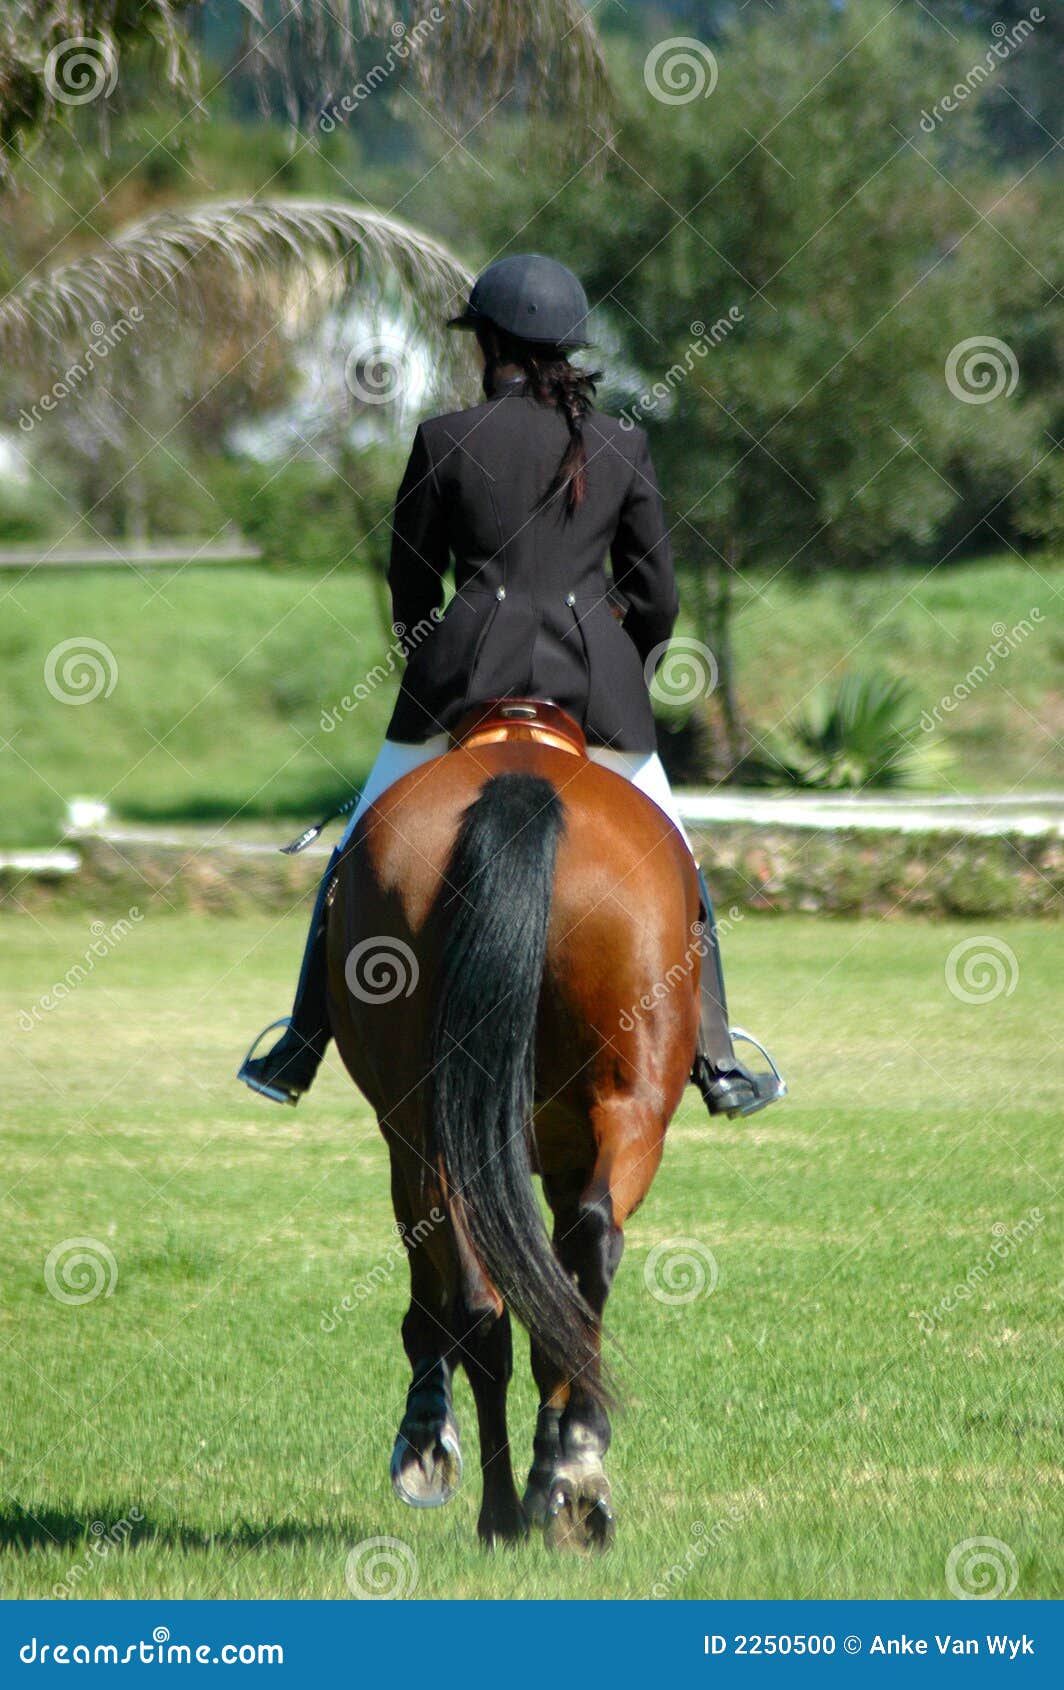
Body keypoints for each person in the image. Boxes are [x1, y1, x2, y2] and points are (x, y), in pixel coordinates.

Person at [239, 254, 785, 1118]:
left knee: (353, 856)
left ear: (488, 343)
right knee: (675, 857)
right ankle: (717, 1055)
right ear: (570, 346)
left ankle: (301, 1043)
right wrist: (623, 669)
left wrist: (434, 654)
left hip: (463, 680)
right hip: (595, 690)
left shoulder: (444, 438)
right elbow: (657, 598)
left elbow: (411, 587)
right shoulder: (622, 444)